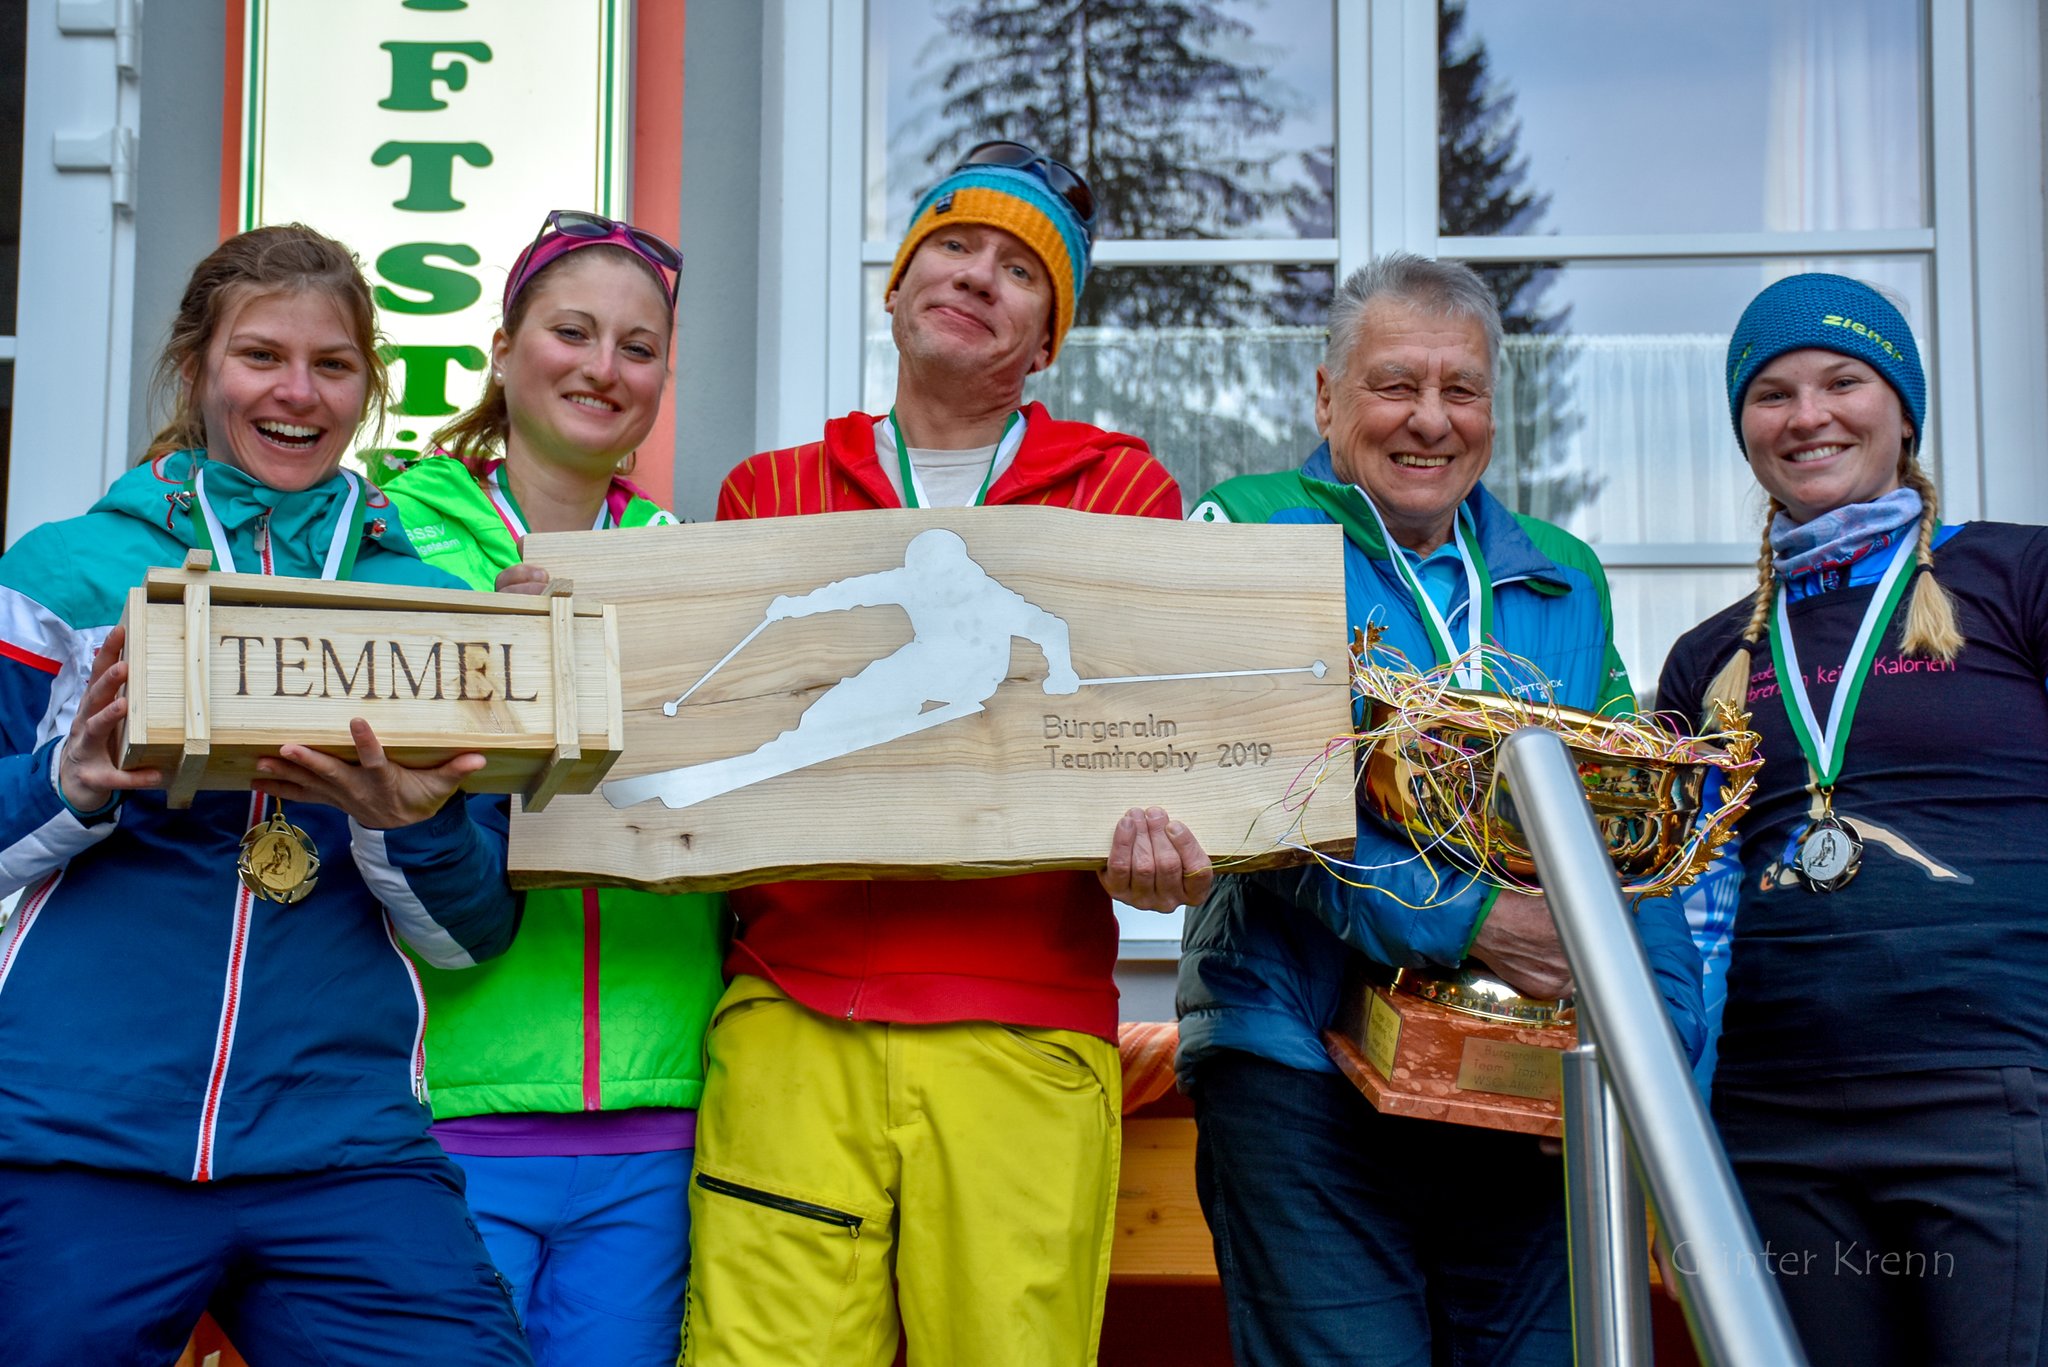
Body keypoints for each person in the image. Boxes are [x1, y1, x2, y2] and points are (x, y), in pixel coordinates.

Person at [685, 142, 1207, 1367]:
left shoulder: (1122, 492)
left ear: (1045, 342)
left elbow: (1158, 745)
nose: (976, 276)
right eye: (952, 244)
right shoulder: (770, 491)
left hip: (1018, 1026)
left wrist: (1167, 845)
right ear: (896, 278)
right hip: (789, 1014)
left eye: (1020, 270)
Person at [0, 225, 531, 1365]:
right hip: (76, 1135)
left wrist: (411, 823)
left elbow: (471, 931)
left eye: (332, 364)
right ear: (197, 366)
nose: (297, 393)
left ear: (367, 386)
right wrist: (73, 778)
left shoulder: (430, 604)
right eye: (261, 356)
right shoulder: (64, 571)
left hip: (341, 1145)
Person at [1177, 252, 1705, 1366]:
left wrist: (1654, 1050)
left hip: (1523, 1089)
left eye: (1459, 389)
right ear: (1325, 397)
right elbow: (1264, 794)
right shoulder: (1249, 530)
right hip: (1298, 1063)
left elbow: (1630, 832)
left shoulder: (1560, 573)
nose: (1429, 420)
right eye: (1392, 385)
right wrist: (1465, 920)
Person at [1655, 273, 2048, 1366]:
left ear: (1902, 408)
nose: (1807, 414)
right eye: (1770, 393)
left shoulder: (2018, 577)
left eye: (1842, 379)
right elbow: (1668, 892)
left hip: (1993, 1097)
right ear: (1744, 431)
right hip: (1772, 1123)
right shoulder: (1708, 656)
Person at [381, 210, 724, 1366]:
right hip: (444, 1103)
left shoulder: (694, 562)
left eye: (638, 346)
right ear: (502, 346)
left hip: (655, 1103)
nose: (603, 367)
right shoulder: (391, 538)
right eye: (571, 331)